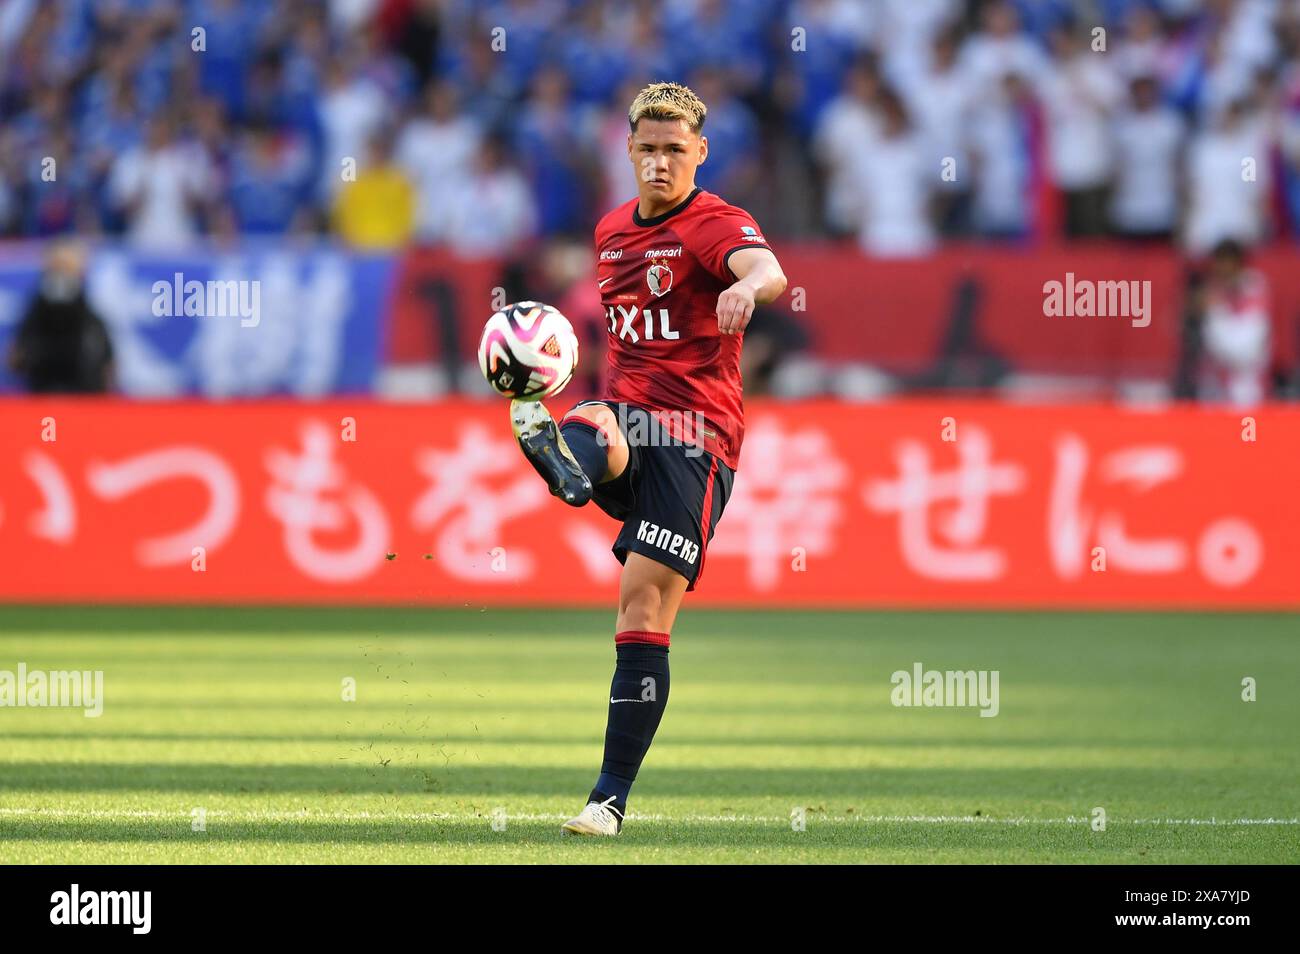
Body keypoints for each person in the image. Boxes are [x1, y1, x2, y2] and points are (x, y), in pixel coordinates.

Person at [507, 82, 787, 835]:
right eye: (648, 149)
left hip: (697, 439)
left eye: (674, 149)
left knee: (641, 610)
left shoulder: (713, 222)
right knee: (596, 412)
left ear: (699, 151)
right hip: (631, 418)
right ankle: (570, 465)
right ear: (628, 151)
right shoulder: (610, 233)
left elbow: (768, 269)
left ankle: (607, 801)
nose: (660, 163)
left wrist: (748, 291)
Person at [8, 240, 114, 393]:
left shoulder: (92, 322)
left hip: (83, 395)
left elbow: (107, 366)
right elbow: (15, 359)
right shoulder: (35, 315)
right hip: (41, 395)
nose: (61, 276)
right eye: (57, 268)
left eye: (66, 268)